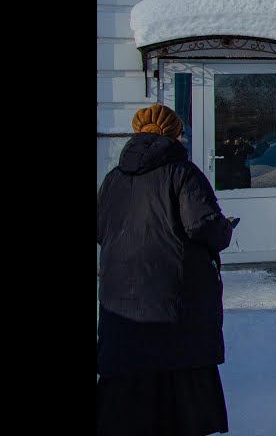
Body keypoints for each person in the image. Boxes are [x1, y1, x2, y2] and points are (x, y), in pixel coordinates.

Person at [98, 104, 236, 436]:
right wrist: (225, 229)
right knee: (177, 382)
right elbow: (202, 226)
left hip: (120, 299)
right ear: (175, 133)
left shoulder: (113, 178)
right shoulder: (182, 172)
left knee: (127, 390)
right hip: (175, 296)